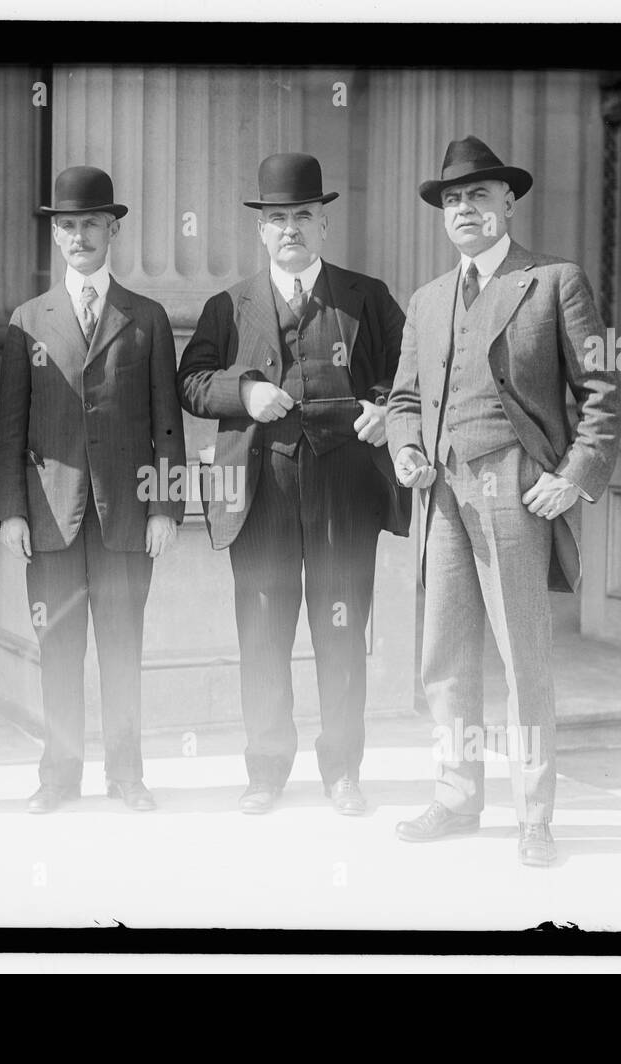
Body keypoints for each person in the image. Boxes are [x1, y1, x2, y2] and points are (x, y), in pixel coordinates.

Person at [386, 136, 621, 865]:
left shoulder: (554, 281)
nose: (464, 209)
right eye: (452, 200)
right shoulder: (427, 300)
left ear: (507, 204)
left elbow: (603, 390)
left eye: (478, 196)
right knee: (444, 659)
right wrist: (405, 448)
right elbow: (401, 398)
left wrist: (575, 473)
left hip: (516, 489)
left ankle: (534, 817)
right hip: (443, 496)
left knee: (525, 658)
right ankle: (457, 797)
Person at [178, 153, 412, 816]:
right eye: (277, 217)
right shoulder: (228, 306)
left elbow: (408, 375)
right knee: (262, 636)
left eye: (302, 215)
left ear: (324, 224)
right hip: (261, 495)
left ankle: (342, 770)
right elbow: (191, 381)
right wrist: (244, 392)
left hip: (345, 493)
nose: (290, 228)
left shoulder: (367, 297)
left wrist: (383, 406)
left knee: (341, 634)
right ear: (260, 230)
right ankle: (266, 770)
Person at [0, 166, 186, 813]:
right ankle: (59, 777)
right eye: (67, 226)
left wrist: (166, 507)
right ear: (56, 236)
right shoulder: (28, 320)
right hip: (49, 517)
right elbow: (10, 425)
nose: (79, 236)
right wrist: (11, 513)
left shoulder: (147, 318)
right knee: (58, 651)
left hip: (127, 518)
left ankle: (127, 777)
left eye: (91, 225)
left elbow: (166, 422)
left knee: (123, 653)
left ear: (113, 230)